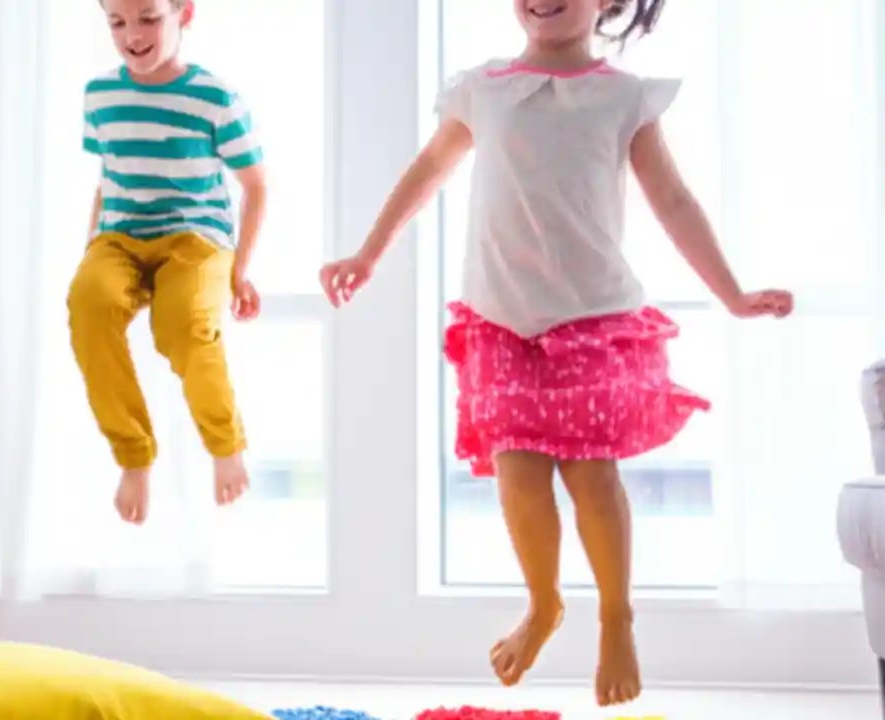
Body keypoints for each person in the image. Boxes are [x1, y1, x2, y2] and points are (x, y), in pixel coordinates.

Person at [319, 0, 793, 708]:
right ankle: (544, 604)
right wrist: (368, 251)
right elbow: (426, 173)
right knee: (517, 474)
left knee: (591, 478)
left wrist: (731, 293)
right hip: (501, 319)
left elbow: (673, 201)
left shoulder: (624, 98)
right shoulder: (483, 89)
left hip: (591, 317)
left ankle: (615, 614)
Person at [69, 0, 267, 526]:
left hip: (195, 237)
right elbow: (106, 178)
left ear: (185, 14)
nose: (132, 35)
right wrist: (92, 249)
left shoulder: (214, 97)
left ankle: (225, 445)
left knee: (183, 326)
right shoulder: (101, 96)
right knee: (89, 305)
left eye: (148, 18)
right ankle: (134, 457)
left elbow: (256, 185)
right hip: (121, 237)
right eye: (117, 22)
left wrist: (239, 270)